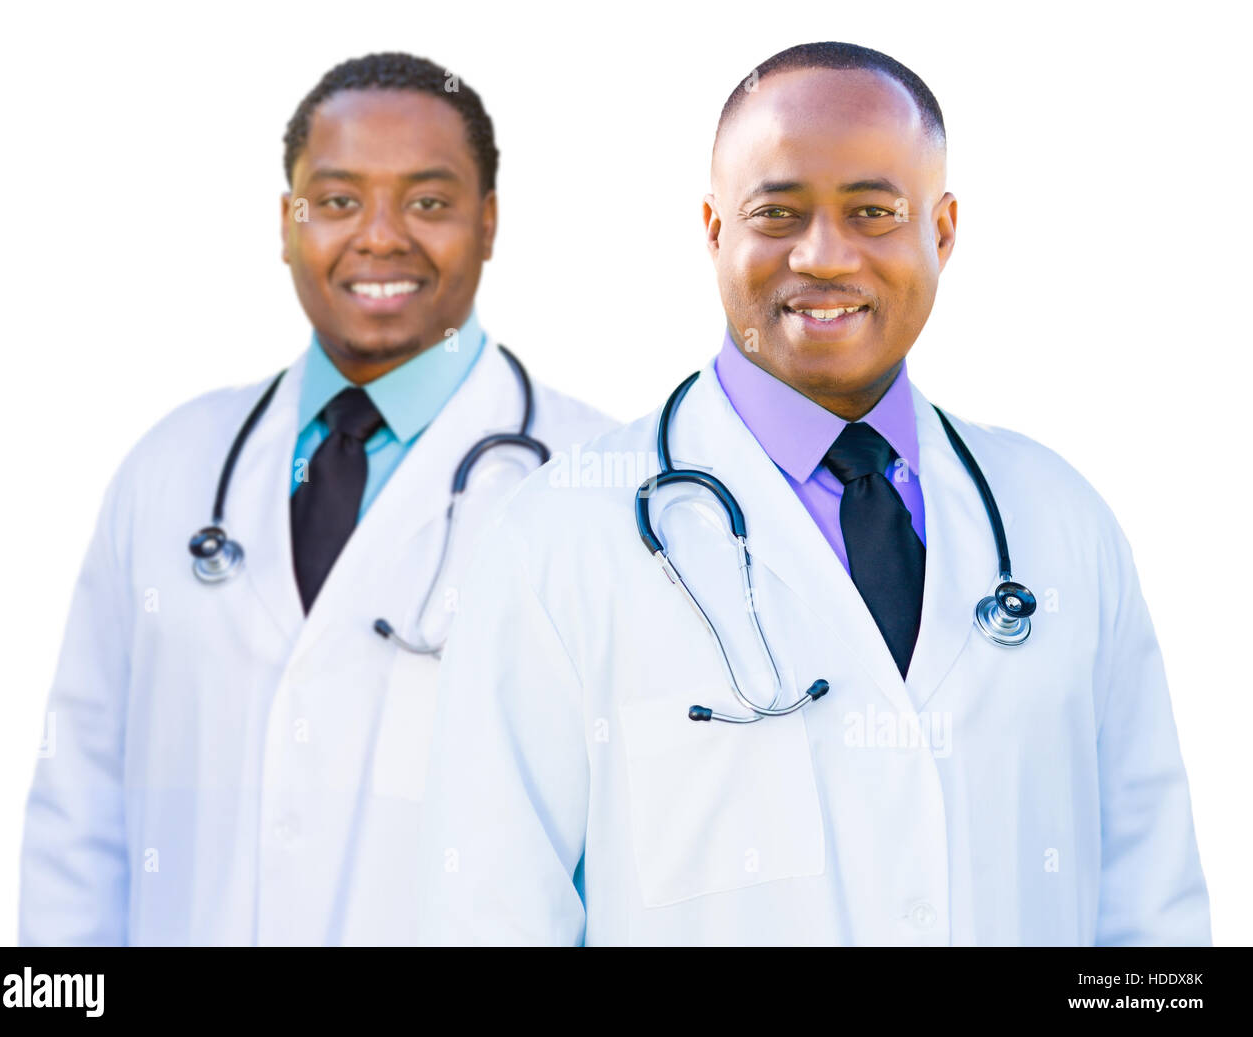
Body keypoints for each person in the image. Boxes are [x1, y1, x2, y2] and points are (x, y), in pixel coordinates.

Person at [417, 42, 1210, 945]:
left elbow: (1153, 917)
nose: (825, 255)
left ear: (942, 231)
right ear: (715, 230)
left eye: (873, 211)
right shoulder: (557, 543)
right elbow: (488, 917)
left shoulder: (1063, 526)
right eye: (777, 212)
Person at [19, 51, 615, 945]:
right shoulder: (170, 469)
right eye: (337, 200)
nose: (379, 237)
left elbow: (645, 851)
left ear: (489, 223)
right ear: (287, 224)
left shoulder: (597, 485)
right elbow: (79, 811)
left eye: (428, 201)